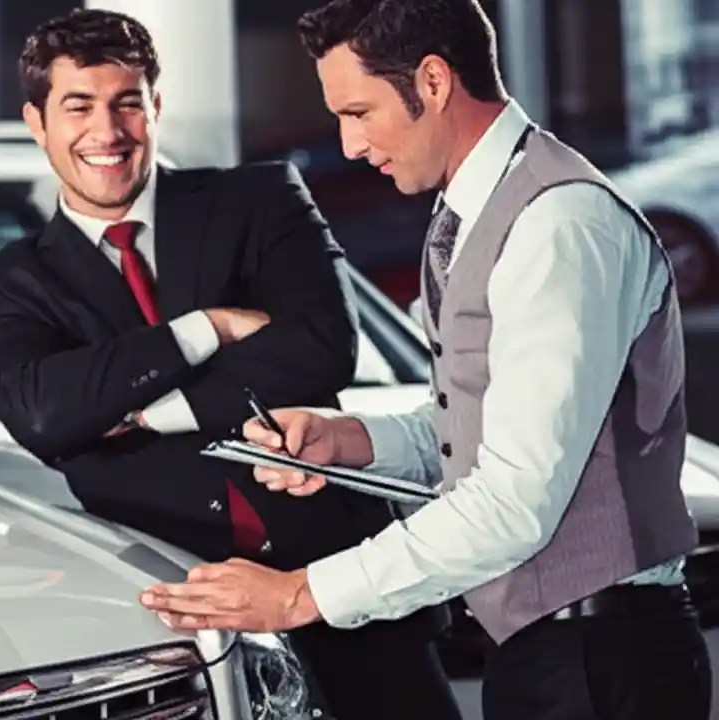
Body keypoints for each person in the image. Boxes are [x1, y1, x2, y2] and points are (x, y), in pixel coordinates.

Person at [139, 1, 713, 718]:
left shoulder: (557, 226)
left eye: (359, 111)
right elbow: (482, 422)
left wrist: (299, 594)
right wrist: (353, 440)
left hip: (601, 660)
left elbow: (512, 501)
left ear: (434, 81)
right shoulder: (480, 210)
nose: (348, 145)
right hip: (553, 652)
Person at [0, 8, 462, 720]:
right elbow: (45, 415)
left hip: (344, 591)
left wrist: (132, 411)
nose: (107, 132)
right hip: (178, 623)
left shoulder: (258, 201)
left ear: (155, 107)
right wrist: (209, 327)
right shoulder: (10, 284)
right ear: (37, 122)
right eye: (78, 107)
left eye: (127, 104)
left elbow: (323, 350)